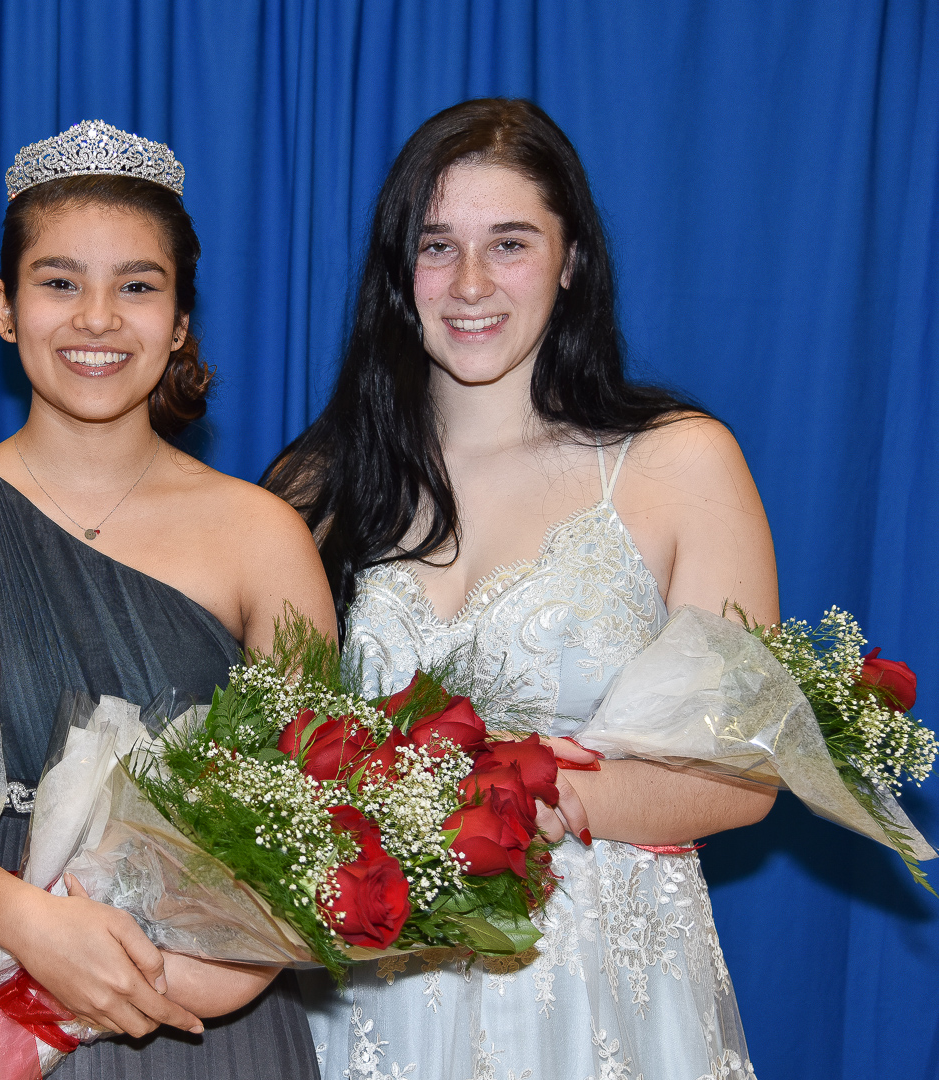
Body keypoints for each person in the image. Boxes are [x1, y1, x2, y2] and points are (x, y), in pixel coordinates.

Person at [266, 99, 777, 1079]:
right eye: (435, 245)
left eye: (508, 244)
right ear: (394, 271)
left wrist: (519, 799)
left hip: (591, 988)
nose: (467, 284)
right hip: (369, 993)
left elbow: (743, 778)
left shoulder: (680, 464)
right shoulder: (315, 485)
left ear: (570, 259)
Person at [0, 120, 334, 1079]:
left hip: (210, 1013)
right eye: (60, 282)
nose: (98, 318)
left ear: (182, 319)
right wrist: (31, 926)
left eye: (138, 287)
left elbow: (322, 806)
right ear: (5, 306)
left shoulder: (263, 534)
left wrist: (225, 970)